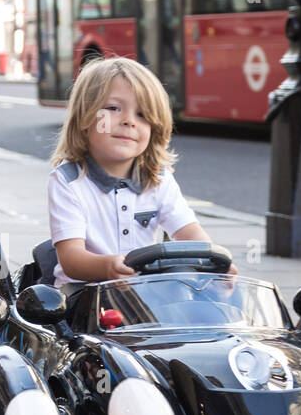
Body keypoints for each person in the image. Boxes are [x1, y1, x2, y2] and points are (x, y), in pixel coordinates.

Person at [47, 56, 237, 292]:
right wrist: (107, 267)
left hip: (143, 291)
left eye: (142, 114)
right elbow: (71, 259)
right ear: (84, 117)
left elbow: (190, 234)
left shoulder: (158, 178)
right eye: (113, 108)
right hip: (83, 294)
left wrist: (214, 265)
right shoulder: (68, 180)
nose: (128, 121)